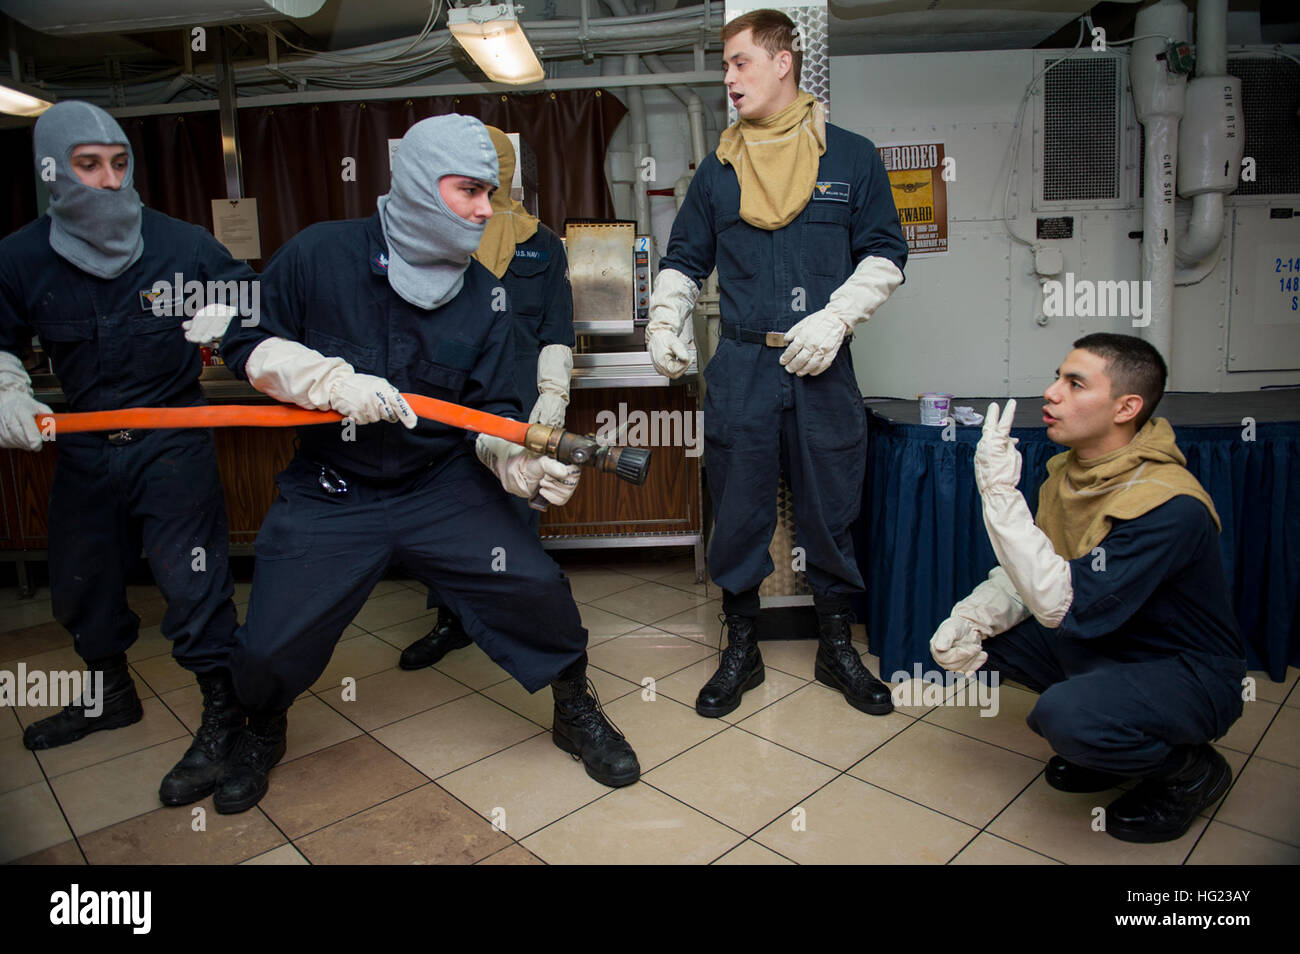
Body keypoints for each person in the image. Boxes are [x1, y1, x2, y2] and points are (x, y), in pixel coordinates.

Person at [215, 114, 639, 815]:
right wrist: (321, 379)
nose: (486, 210)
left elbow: (495, 417)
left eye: (492, 193)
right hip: (332, 489)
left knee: (535, 587)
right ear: (415, 182)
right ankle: (262, 726)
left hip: (440, 486)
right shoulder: (319, 256)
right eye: (469, 191)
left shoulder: (484, 297)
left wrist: (520, 468)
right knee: (266, 645)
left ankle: (573, 706)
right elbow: (245, 336)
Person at [646, 9, 908, 718]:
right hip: (742, 366)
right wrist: (663, 316)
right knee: (736, 511)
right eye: (725, 66)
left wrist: (836, 317)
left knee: (832, 508)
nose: (728, 78)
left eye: (739, 62)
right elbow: (684, 260)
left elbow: (886, 252)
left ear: (783, 61)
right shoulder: (716, 172)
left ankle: (835, 646)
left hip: (824, 366)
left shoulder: (849, 157)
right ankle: (741, 650)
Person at [0, 101, 252, 808]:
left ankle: (223, 718)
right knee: (81, 579)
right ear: (52, 170)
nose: (109, 181)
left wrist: (230, 319)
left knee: (192, 584)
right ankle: (108, 696)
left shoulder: (181, 246)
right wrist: (5, 388)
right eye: (88, 165)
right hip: (82, 446)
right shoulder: (19, 258)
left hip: (172, 444)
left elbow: (249, 310)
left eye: (119, 163)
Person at [930, 333, 1245, 844]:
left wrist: (999, 494)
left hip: (1185, 668)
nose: (1052, 393)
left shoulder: (1167, 503)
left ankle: (1188, 771)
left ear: (1126, 407)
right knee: (989, 639)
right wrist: (972, 618)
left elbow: (1061, 605)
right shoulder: (1071, 474)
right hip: (1111, 635)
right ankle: (1111, 745)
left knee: (1064, 717)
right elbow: (1034, 572)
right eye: (1057, 378)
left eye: (1075, 384)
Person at [399, 125, 575, 671]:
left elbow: (557, 327)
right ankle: (451, 620)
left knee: (520, 513)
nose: (486, 198)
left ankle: (521, 620)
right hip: (448, 406)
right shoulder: (441, 239)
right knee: (447, 509)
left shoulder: (541, 244)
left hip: (518, 404)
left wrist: (553, 393)